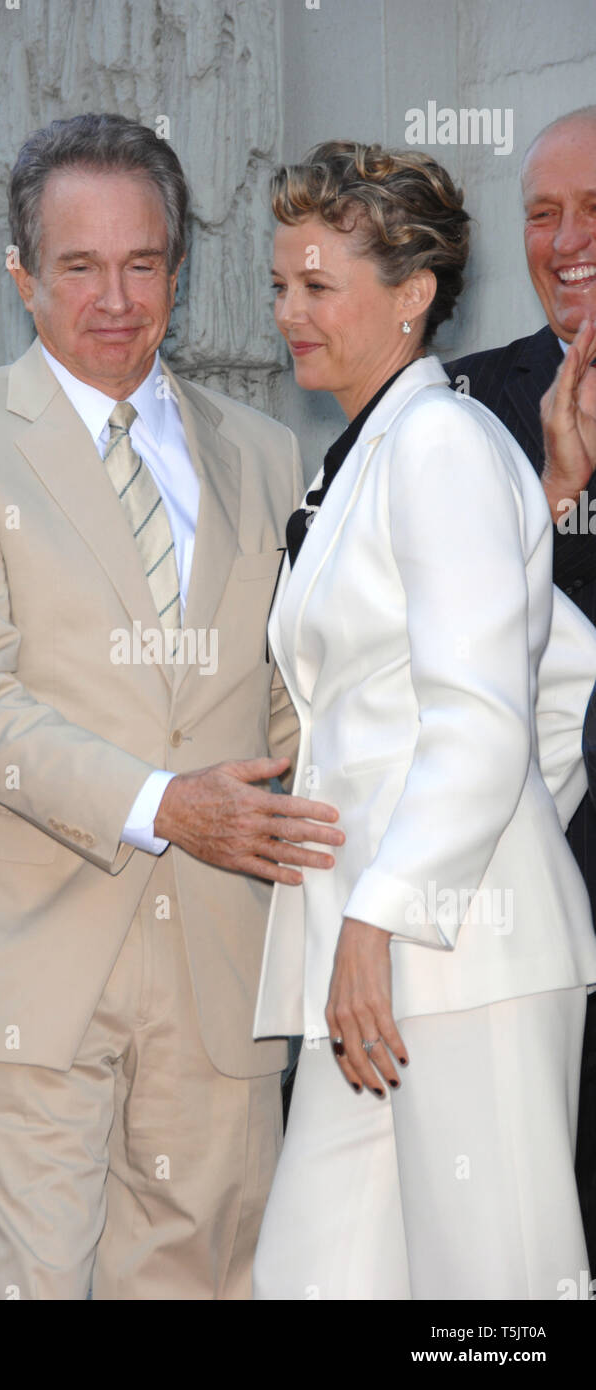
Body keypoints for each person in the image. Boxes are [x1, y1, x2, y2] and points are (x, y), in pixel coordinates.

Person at [0, 112, 344, 1301]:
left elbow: (297, 703)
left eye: (142, 263)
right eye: (78, 266)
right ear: (21, 275)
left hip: (220, 977)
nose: (113, 297)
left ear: (178, 272)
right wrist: (161, 805)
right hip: (24, 975)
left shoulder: (264, 456)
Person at [252, 139, 596, 1300]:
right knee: (312, 1279)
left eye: (317, 286)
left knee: (493, 1305)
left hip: (459, 965)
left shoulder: (441, 443)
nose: (290, 312)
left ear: (410, 297)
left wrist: (391, 908)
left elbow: (484, 715)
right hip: (390, 972)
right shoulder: (368, 456)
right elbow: (559, 673)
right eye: (279, 285)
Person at [445, 107, 596, 1266]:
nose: (563, 239)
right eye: (539, 213)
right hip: (530, 911)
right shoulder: (459, 412)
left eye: (591, 209)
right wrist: (549, 487)